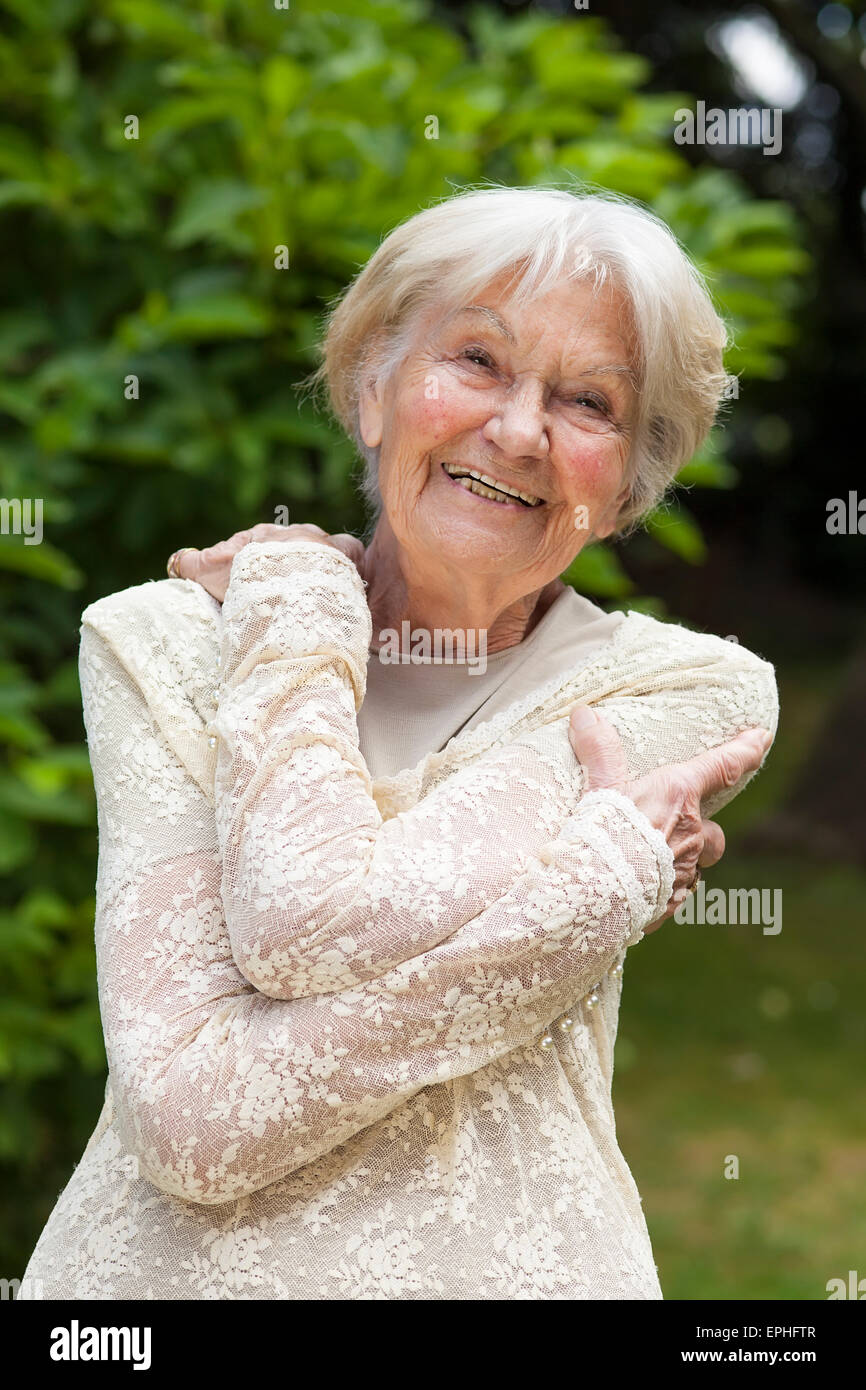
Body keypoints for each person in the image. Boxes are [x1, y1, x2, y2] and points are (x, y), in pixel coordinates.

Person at [20, 186, 777, 1300]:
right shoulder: (161, 643)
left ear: (622, 489)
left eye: (585, 403)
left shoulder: (686, 691)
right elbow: (191, 1120)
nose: (518, 431)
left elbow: (302, 924)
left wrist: (289, 595)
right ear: (373, 389)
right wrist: (600, 880)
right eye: (476, 359)